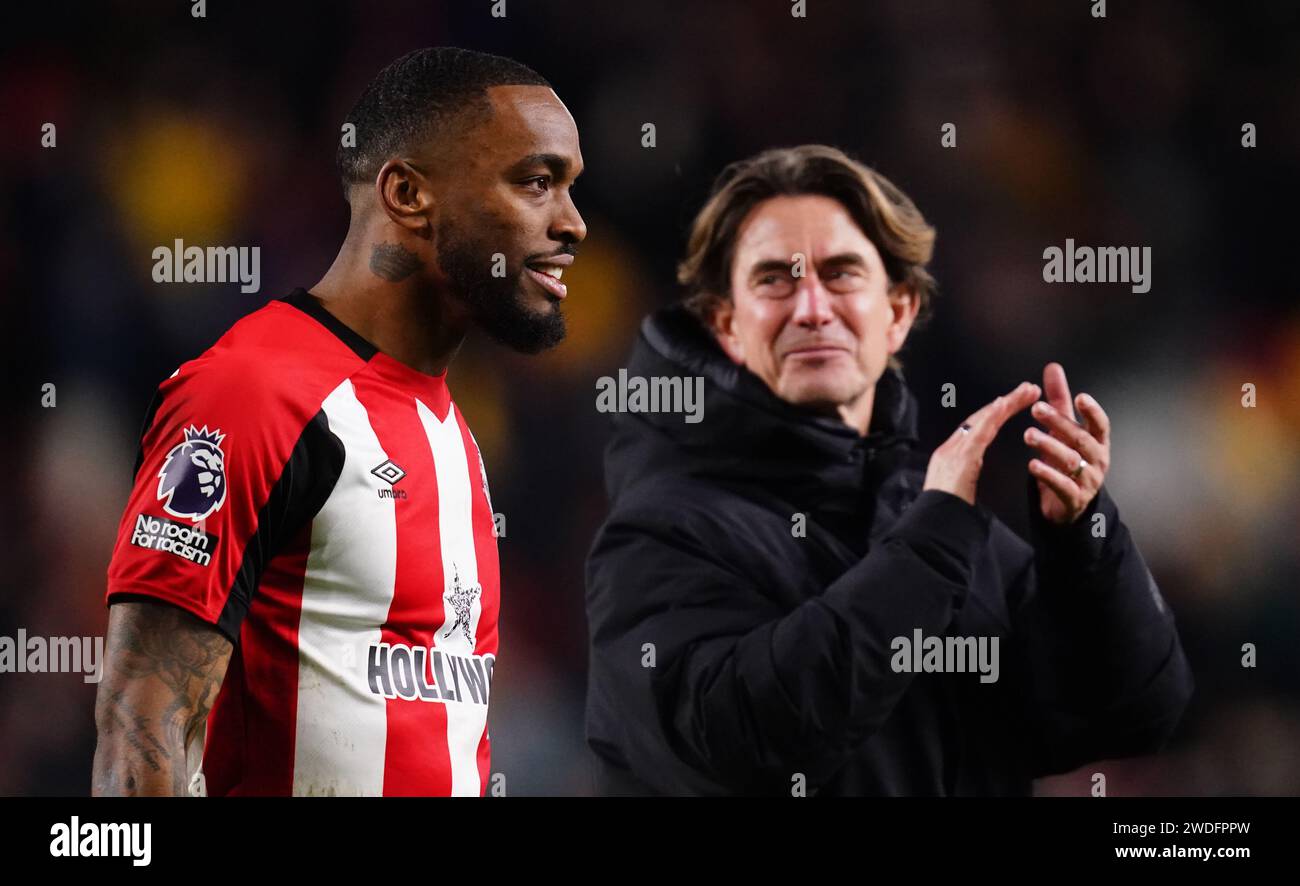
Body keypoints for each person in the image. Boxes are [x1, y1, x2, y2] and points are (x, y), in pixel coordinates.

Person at [584, 144, 1191, 795]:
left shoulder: (956, 532)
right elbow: (740, 743)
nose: (812, 307)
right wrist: (926, 554)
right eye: (775, 279)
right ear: (726, 324)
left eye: (842, 273)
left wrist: (1084, 542)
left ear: (898, 313)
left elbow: (1134, 715)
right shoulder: (657, 536)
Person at [92, 46, 586, 796]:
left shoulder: (455, 435)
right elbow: (141, 734)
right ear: (409, 194)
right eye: (537, 183)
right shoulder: (254, 394)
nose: (573, 224)